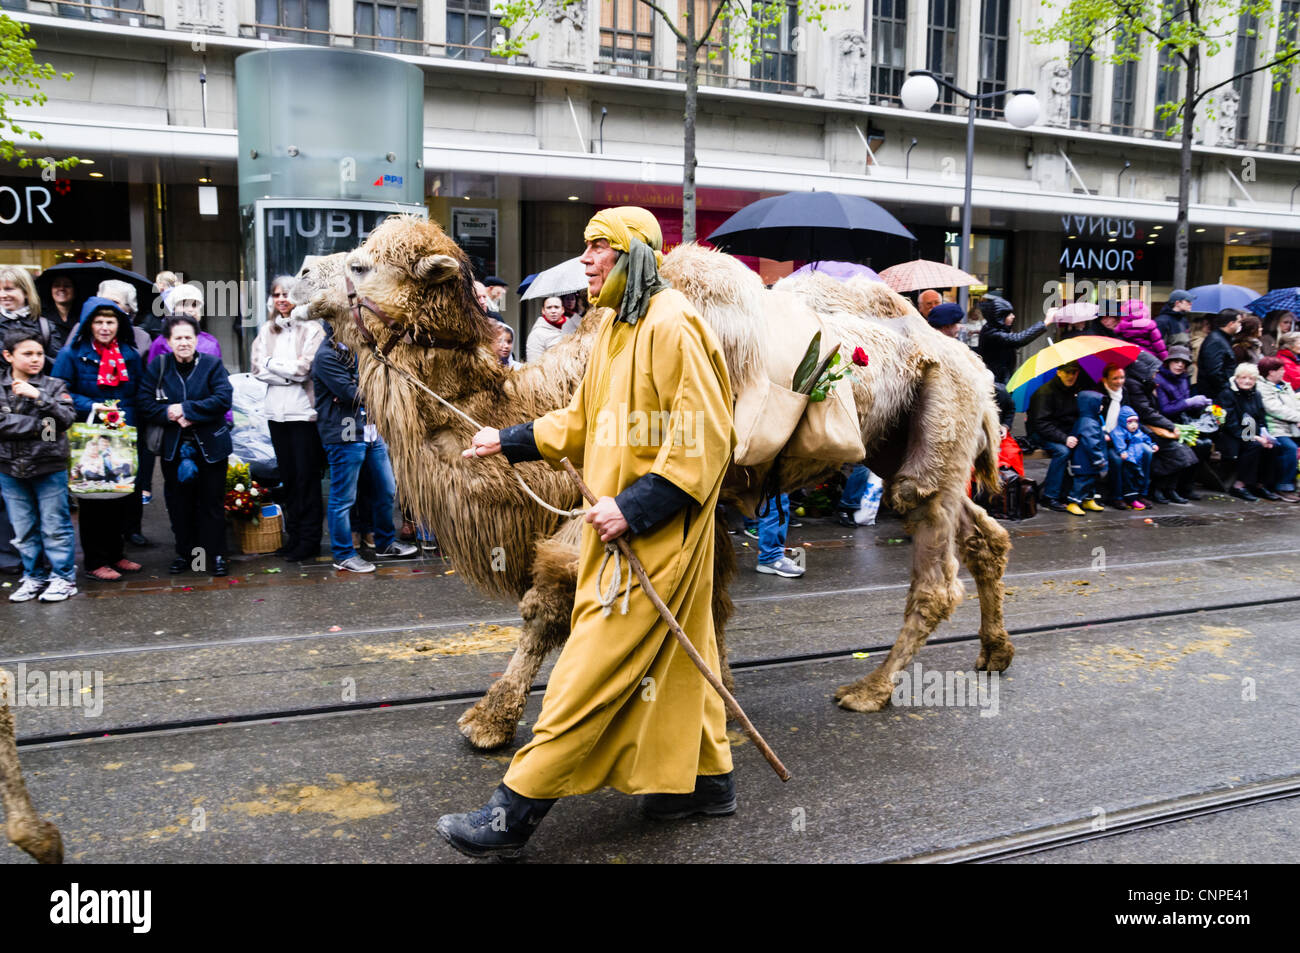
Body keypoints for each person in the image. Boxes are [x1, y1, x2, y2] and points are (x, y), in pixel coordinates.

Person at [439, 206, 735, 859]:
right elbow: (581, 419)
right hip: (628, 533)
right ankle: (711, 780)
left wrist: (637, 505)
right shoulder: (618, 330)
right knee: (687, 657)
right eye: (586, 248)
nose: (588, 260)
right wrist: (508, 439)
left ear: (635, 256)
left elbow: (707, 439)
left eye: (600, 248)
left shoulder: (674, 326)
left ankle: (511, 813)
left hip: (657, 539)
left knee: (585, 669)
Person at [311, 321, 418, 572]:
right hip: (344, 432)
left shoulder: (363, 351)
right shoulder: (326, 355)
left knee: (386, 489)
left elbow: (373, 385)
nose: (359, 326)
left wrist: (363, 387)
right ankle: (344, 555)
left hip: (371, 430)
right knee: (343, 498)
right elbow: (351, 393)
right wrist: (365, 388)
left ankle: (384, 544)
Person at [51, 297, 144, 581]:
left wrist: (129, 422)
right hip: (89, 435)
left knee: (119, 496)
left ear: (120, 324)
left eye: (110, 322)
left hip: (121, 434)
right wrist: (93, 406)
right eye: (99, 322)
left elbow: (139, 393)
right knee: (92, 498)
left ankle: (116, 554)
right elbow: (59, 391)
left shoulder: (129, 354)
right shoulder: (72, 354)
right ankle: (95, 560)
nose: (105, 328)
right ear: (89, 324)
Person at [137, 315, 234, 576]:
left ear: (196, 340)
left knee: (211, 504)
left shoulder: (212, 365)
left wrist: (187, 410)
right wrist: (169, 413)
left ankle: (214, 555)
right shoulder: (158, 366)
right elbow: (145, 403)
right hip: (174, 449)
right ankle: (186, 554)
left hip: (211, 448)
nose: (183, 343)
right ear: (168, 341)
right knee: (180, 505)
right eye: (177, 338)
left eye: (188, 337)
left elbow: (223, 398)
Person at [251, 281, 327, 561]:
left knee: (306, 481)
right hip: (275, 415)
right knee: (289, 480)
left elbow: (305, 369)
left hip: (303, 416)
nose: (282, 299)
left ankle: (309, 541)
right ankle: (293, 536)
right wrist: (284, 370)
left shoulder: (313, 329)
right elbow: (257, 368)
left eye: (287, 294)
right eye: (277, 294)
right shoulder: (265, 330)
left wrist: (273, 365)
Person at [0, 329, 78, 602]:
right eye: (28, 354)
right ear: (8, 355)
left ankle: (63, 577)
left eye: (40, 354)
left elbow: (65, 420)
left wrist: (38, 397)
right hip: (10, 467)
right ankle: (33, 576)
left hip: (48, 465)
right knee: (23, 528)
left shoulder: (54, 386)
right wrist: (38, 426)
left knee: (55, 526)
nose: (36, 359)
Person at [1216, 363, 1282, 502]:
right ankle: (1239, 485)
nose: (1247, 381)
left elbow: (1260, 418)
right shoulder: (1228, 394)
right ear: (1237, 378)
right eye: (1243, 377)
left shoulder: (1255, 394)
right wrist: (1256, 438)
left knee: (1273, 446)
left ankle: (1260, 484)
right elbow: (1230, 424)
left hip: (1251, 432)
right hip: (1232, 435)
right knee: (1253, 445)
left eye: (1251, 378)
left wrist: (1265, 435)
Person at [1154, 345, 1213, 500]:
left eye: (1183, 362)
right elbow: (1165, 409)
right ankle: (1165, 488)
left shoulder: (1183, 379)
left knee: (1204, 444)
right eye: (1176, 361)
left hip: (1182, 422)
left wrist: (1201, 406)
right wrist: (1189, 402)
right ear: (1169, 362)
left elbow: (1185, 406)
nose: (1180, 365)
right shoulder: (1159, 379)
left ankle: (1184, 486)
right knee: (1183, 448)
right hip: (1164, 424)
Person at [1027, 362, 1082, 511]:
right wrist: (1064, 438)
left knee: (1086, 445)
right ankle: (1050, 496)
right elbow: (1041, 423)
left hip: (1062, 432)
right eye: (1067, 372)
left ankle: (1077, 492)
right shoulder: (1045, 393)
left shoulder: (1073, 390)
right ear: (1059, 372)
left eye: (1074, 372)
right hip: (1040, 434)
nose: (1071, 376)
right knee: (1062, 451)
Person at [977, 295, 1056, 384]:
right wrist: (1045, 323)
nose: (1013, 316)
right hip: (997, 380)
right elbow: (1019, 339)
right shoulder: (992, 333)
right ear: (1000, 317)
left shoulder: (995, 329)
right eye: (1008, 314)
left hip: (1001, 376)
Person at [1256, 355, 1300, 502]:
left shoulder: (1284, 385)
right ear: (1271, 372)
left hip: (1293, 426)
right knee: (1290, 449)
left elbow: (1295, 404)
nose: (1283, 371)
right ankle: (1284, 486)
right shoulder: (1263, 387)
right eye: (1281, 369)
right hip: (1275, 428)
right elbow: (1274, 409)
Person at [146, 284, 222, 365]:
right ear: (173, 309)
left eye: (194, 305)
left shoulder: (211, 342)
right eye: (184, 304)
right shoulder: (160, 343)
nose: (190, 309)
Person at [0, 267, 55, 365]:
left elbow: (57, 365)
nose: (2, 295)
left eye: (8, 289)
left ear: (26, 292)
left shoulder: (45, 326)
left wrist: (32, 357)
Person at [1065, 390, 1107, 515]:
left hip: (1088, 460)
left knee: (1091, 481)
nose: (1102, 406)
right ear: (1091, 405)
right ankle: (1073, 502)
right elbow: (1091, 443)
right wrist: (1099, 459)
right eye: (1099, 404)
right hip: (1085, 460)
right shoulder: (1089, 423)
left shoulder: (1090, 420)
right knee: (1082, 482)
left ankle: (1088, 500)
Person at [1111, 407, 1158, 509]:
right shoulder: (1120, 431)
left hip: (1137, 458)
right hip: (1129, 459)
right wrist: (1122, 451)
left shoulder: (1137, 432)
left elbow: (1145, 438)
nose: (1134, 425)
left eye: (1136, 422)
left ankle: (1139, 495)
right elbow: (1118, 440)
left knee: (1138, 476)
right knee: (1129, 477)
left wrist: (1152, 444)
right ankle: (1130, 499)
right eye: (1130, 422)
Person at [1198, 309, 1242, 398]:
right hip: (1215, 393)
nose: (1240, 325)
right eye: (1239, 322)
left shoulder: (1225, 339)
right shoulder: (1216, 341)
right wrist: (1226, 388)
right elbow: (1214, 371)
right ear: (1231, 324)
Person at [41, 274, 79, 357]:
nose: (61, 289)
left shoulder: (83, 316)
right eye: (56, 285)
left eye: (67, 286)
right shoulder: (41, 316)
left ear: (75, 291)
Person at [526, 296, 570, 362]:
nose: (553, 311)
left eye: (556, 307)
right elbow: (533, 364)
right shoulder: (536, 334)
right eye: (549, 308)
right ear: (543, 311)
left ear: (562, 310)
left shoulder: (572, 328)